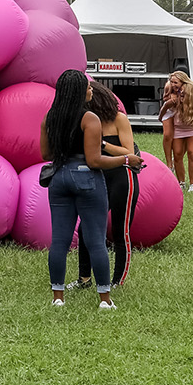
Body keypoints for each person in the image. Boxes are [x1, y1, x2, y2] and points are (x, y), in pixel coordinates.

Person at [41, 69, 142, 310]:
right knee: (96, 239)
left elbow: (46, 154)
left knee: (60, 241)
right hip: (86, 178)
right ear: (78, 91)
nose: (91, 90)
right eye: (87, 87)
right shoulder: (90, 119)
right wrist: (126, 160)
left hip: (59, 178)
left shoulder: (49, 118)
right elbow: (94, 160)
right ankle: (105, 299)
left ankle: (58, 297)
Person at [76, 78, 142, 291]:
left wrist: (102, 143)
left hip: (123, 177)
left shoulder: (118, 119)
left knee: (120, 231)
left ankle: (118, 281)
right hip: (98, 177)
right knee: (85, 228)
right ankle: (84, 279)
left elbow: (128, 152)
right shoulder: (86, 121)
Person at [160, 71, 193, 193]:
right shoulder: (173, 98)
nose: (181, 97)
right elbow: (164, 108)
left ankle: (192, 185)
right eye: (180, 94)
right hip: (179, 129)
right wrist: (161, 117)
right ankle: (181, 182)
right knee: (177, 154)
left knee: (192, 153)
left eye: (176, 82)